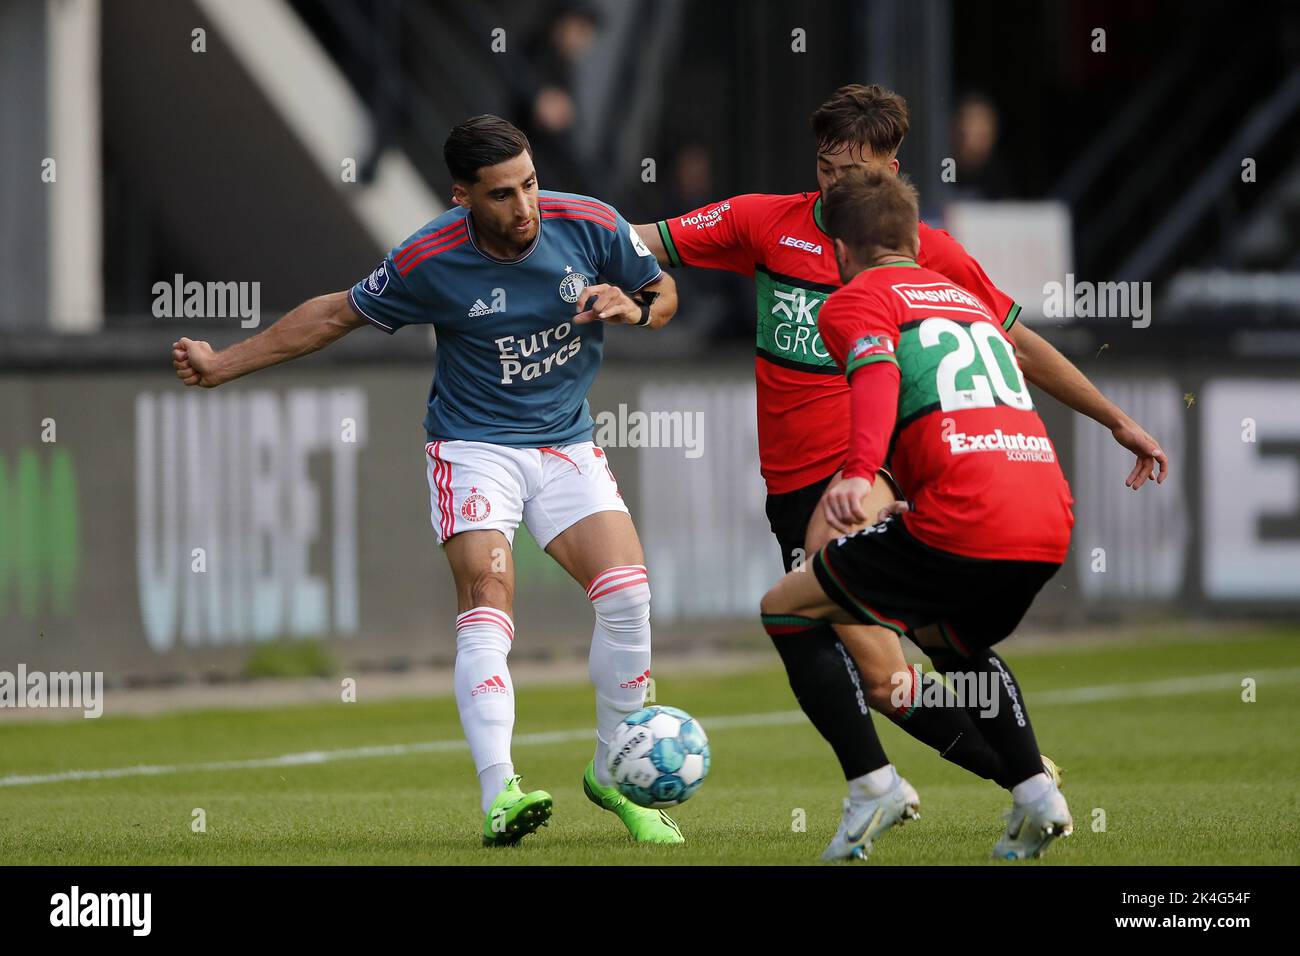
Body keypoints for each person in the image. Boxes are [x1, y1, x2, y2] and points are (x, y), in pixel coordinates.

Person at [632, 84, 1167, 824]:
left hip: (859, 478)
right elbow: (642, 239)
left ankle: (904, 787)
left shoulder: (921, 250)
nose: (835, 187)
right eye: (825, 168)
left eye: (854, 173)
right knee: (889, 678)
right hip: (788, 485)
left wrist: (1113, 417)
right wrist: (550, 233)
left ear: (891, 168)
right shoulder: (765, 222)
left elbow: (1015, 340)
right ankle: (1019, 776)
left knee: (820, 625)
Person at [171, 114, 684, 848]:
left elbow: (664, 291)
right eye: (503, 194)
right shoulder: (428, 259)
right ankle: (499, 791)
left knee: (629, 595)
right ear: (462, 198)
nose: (525, 206)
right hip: (474, 447)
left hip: (566, 442)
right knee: (488, 595)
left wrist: (635, 307)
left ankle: (612, 772)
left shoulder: (592, 224)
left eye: (531, 183)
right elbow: (332, 316)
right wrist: (225, 364)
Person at [762, 167, 1074, 861]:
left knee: (788, 607)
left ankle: (873, 783)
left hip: (966, 516)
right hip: (1049, 515)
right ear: (916, 236)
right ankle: (1035, 794)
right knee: (949, 636)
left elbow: (875, 375)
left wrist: (859, 469)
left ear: (842, 249)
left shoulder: (853, 299)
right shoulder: (967, 302)